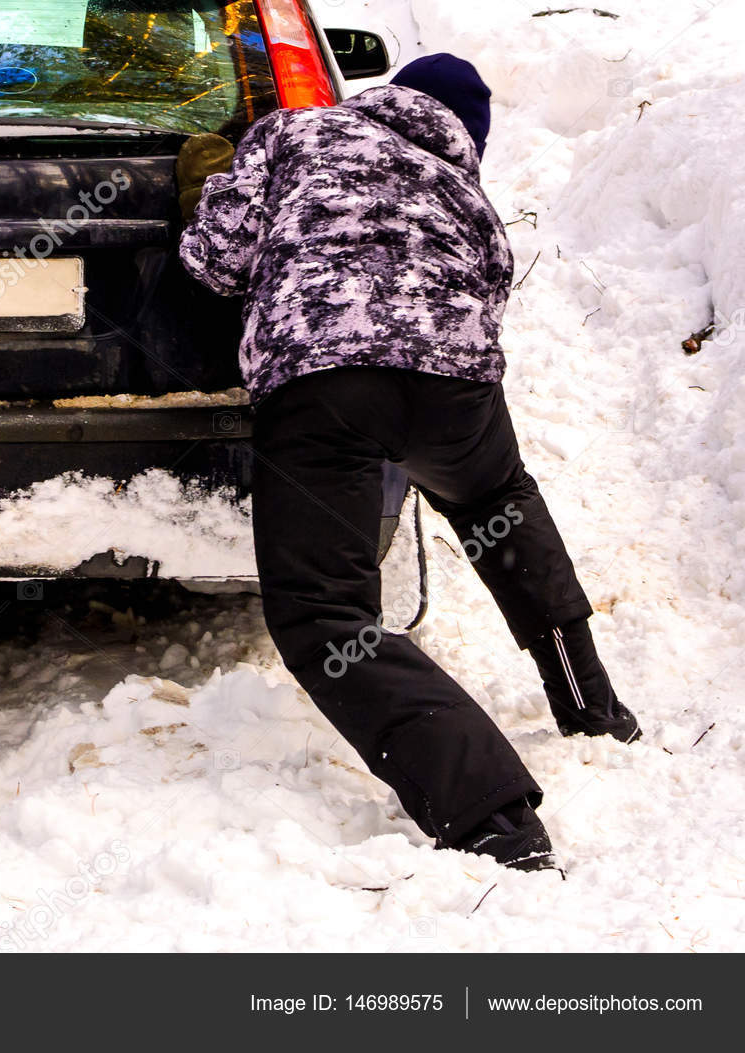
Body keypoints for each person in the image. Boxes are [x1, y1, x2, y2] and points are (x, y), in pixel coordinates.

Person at [178, 53, 638, 873]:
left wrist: (206, 183)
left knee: (326, 614)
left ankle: (492, 815)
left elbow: (214, 260)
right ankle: (593, 707)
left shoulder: (293, 130)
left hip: (326, 385)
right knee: (500, 503)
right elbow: (488, 296)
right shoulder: (468, 193)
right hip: (455, 387)